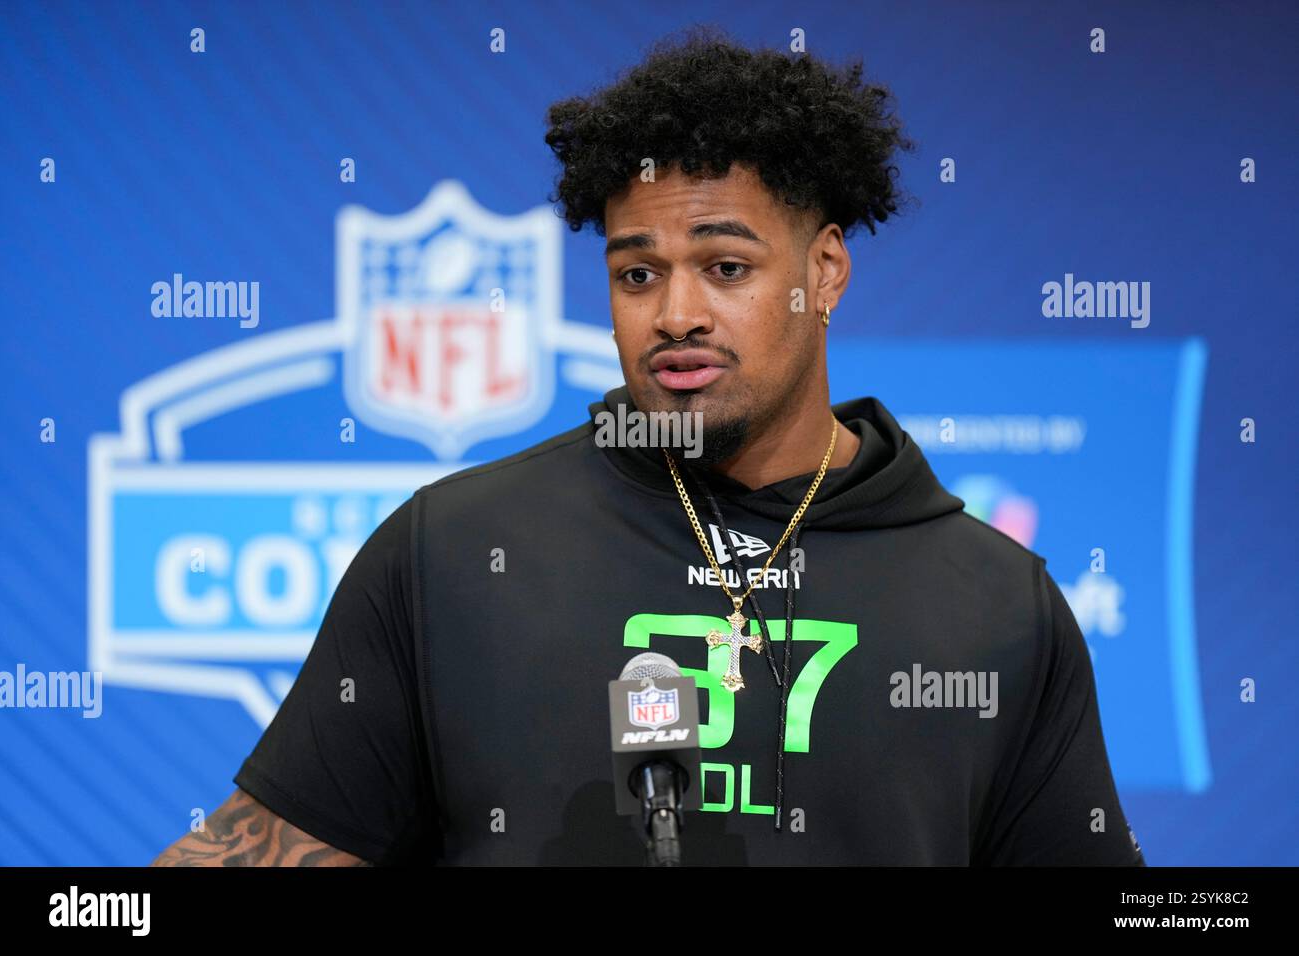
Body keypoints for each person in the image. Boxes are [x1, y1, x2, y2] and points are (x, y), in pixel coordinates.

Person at [153, 26, 1144, 867]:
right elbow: (262, 844)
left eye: (723, 265)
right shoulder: (453, 550)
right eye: (636, 274)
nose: (675, 314)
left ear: (825, 270)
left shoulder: (996, 602)